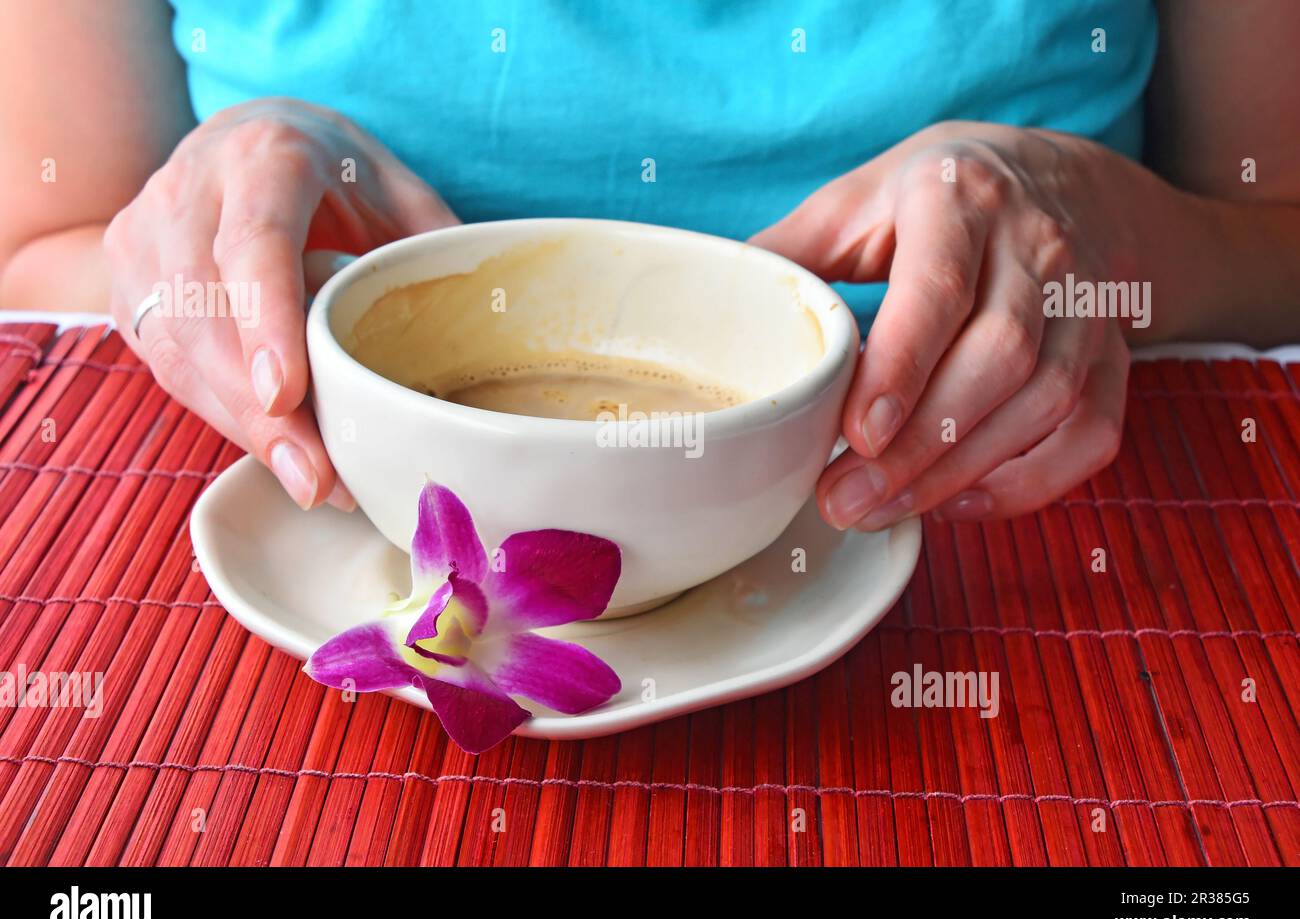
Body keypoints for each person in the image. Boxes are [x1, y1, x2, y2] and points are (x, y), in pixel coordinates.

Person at [2, 1, 1297, 530]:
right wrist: (192, 245)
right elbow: (35, 251)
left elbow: (1278, 230)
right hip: (340, 536)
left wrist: (1114, 245)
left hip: (991, 524)